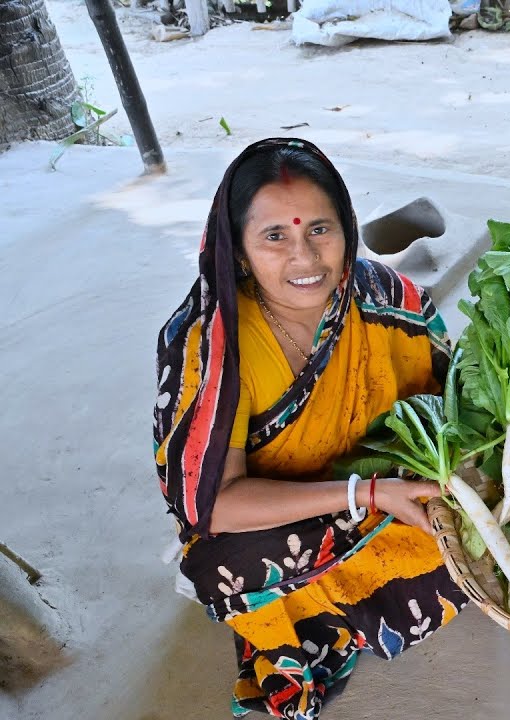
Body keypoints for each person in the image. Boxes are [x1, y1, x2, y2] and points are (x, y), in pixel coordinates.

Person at [153, 138, 469, 718]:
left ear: (347, 228)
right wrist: (368, 493)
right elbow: (213, 505)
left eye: (320, 229)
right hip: (284, 512)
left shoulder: (388, 299)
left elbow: (449, 405)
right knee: (225, 564)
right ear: (239, 250)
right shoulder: (212, 345)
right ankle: (298, 602)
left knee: (479, 527)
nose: (305, 258)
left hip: (388, 484)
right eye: (275, 236)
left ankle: (322, 596)